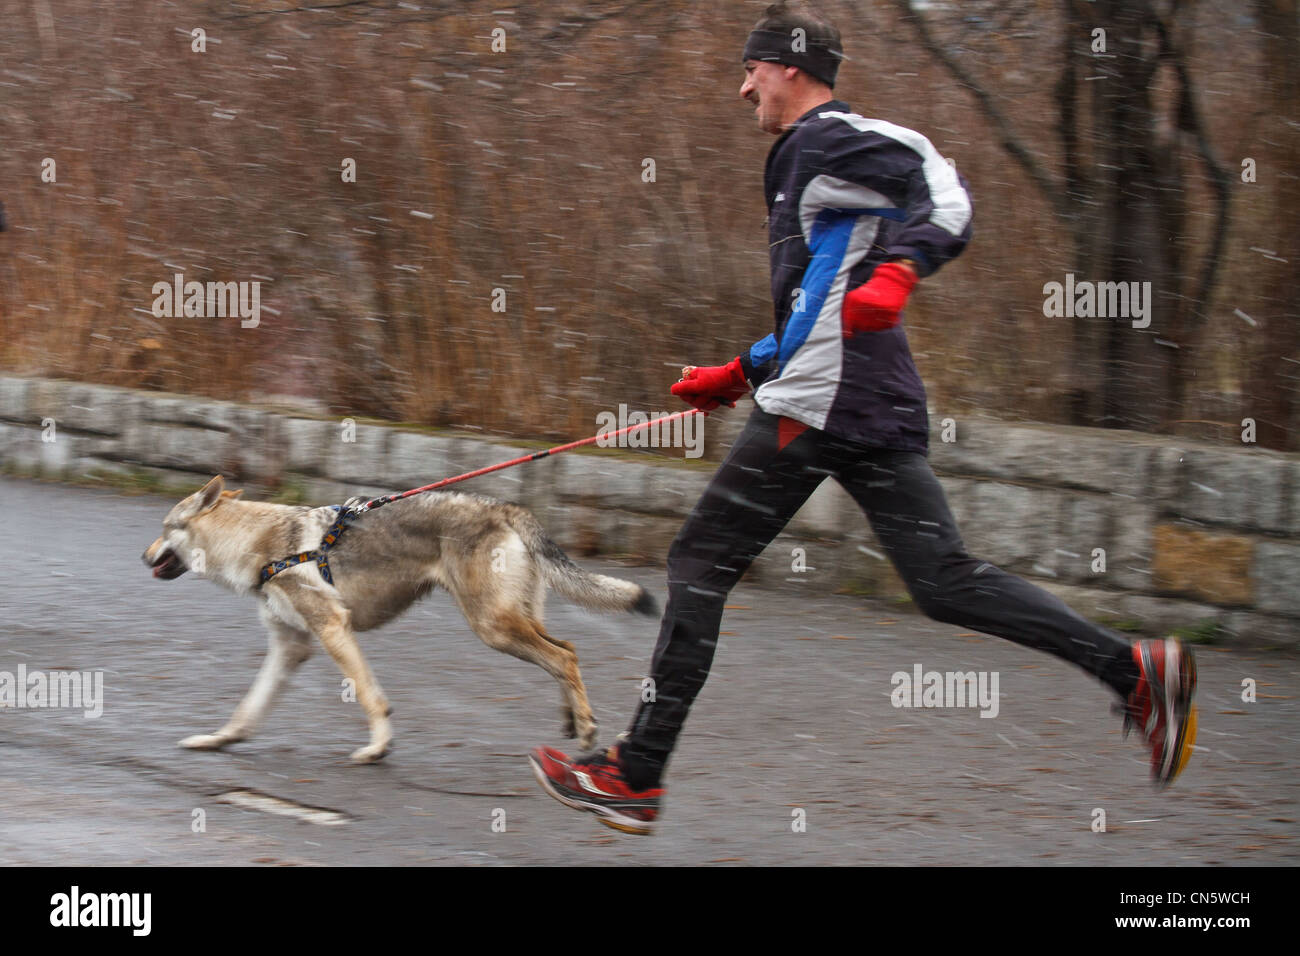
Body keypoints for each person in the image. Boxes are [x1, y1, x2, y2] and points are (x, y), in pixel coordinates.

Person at [529, 0, 1197, 835]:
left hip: (819, 407)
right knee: (943, 581)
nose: (743, 90)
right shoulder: (808, 163)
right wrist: (741, 370)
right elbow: (823, 303)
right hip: (863, 400)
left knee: (699, 559)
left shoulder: (825, 139)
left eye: (751, 69)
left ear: (791, 68)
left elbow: (944, 188)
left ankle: (635, 774)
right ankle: (1134, 670)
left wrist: (907, 268)